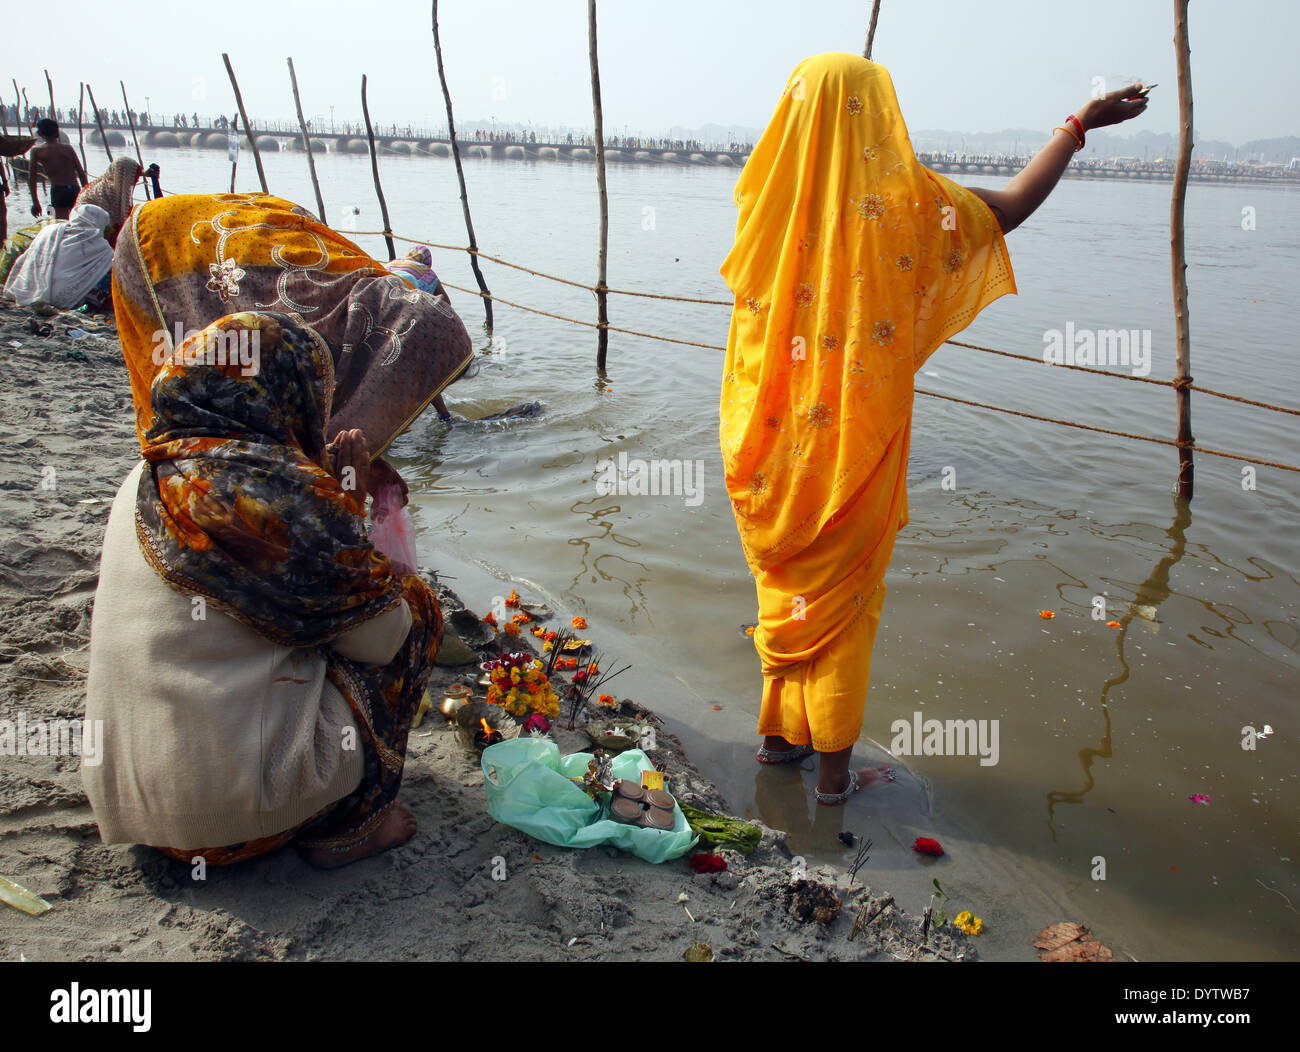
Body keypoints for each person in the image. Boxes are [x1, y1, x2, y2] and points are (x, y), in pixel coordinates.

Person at [720, 53, 1147, 804]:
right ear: (878, 119)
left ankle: (777, 743)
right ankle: (833, 782)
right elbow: (1009, 208)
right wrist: (1079, 126)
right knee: (845, 611)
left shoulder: (765, 205)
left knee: (783, 591)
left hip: (768, 449)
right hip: (853, 450)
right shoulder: (905, 207)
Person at [83, 192, 475, 867]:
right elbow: (385, 636)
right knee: (413, 613)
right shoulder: (284, 497)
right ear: (295, 393)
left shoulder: (144, 475)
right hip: (238, 826)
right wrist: (345, 507)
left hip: (129, 812)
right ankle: (352, 828)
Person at [27, 118, 86, 219]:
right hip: (75, 189)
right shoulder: (68, 149)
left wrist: (35, 202)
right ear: (57, 133)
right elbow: (81, 173)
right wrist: (86, 193)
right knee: (77, 220)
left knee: (61, 224)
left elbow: (31, 178)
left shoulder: (37, 150)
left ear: (40, 134)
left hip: (58, 190)